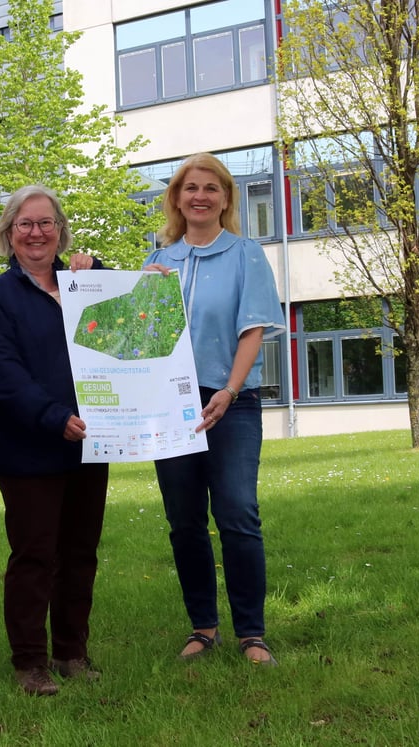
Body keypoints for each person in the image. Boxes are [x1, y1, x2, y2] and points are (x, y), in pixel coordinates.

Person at [143, 153, 285, 666]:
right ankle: (203, 628)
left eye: (211, 188)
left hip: (233, 403)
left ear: (226, 199)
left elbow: (253, 329)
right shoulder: (158, 262)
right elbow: (139, 341)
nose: (199, 196)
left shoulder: (246, 253)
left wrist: (228, 389)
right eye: (190, 188)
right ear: (177, 199)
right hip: (170, 406)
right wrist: (134, 292)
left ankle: (252, 633)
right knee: (184, 521)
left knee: (237, 513)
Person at [0, 185, 107, 696]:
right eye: (25, 224)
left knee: (81, 553)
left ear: (60, 230)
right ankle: (31, 663)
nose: (36, 232)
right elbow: (4, 378)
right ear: (9, 234)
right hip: (31, 448)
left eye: (46, 223)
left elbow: (131, 323)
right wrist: (54, 418)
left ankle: (72, 652)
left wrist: (114, 272)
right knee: (35, 556)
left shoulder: (86, 283)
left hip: (92, 442)